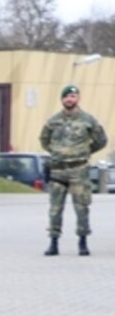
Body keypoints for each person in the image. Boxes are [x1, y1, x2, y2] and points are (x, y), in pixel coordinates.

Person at [40, 85, 107, 256]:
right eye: (66, 97)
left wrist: (84, 151)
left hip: (79, 169)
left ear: (78, 98)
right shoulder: (53, 121)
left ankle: (83, 242)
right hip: (58, 170)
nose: (69, 99)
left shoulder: (88, 120)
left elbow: (101, 140)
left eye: (73, 96)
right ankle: (53, 242)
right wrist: (57, 152)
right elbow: (44, 140)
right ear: (62, 100)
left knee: (81, 207)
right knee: (55, 209)